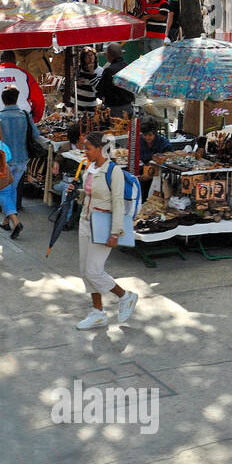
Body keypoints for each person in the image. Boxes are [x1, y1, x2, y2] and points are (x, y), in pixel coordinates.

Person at [70, 132, 138, 329]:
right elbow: (90, 194)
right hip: (85, 221)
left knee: (94, 271)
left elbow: (117, 202)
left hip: (103, 226)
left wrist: (115, 232)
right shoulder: (89, 168)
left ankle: (125, 296)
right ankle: (97, 312)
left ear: (100, 149)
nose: (85, 151)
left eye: (88, 148)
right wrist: (76, 192)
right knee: (85, 271)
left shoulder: (113, 171)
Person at [0, 86, 44, 239]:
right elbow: (36, 135)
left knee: (3, 191)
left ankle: (15, 222)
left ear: (3, 100)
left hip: (5, 160)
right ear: (16, 99)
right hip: (22, 159)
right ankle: (5, 221)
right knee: (13, 189)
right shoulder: (25, 115)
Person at [0, 48, 44, 118]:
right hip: (23, 119)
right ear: (15, 61)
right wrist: (35, 118)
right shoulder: (25, 75)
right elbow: (39, 100)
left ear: (0, 60)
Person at [95, 42, 136, 117]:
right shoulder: (129, 68)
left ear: (110, 55)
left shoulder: (109, 70)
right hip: (129, 108)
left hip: (114, 110)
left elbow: (100, 90)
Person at [74, 47, 99, 113]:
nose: (90, 58)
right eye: (87, 56)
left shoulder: (99, 70)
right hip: (76, 104)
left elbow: (97, 89)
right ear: (83, 59)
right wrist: (76, 82)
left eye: (91, 55)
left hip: (90, 106)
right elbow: (67, 82)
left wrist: (92, 73)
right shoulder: (78, 69)